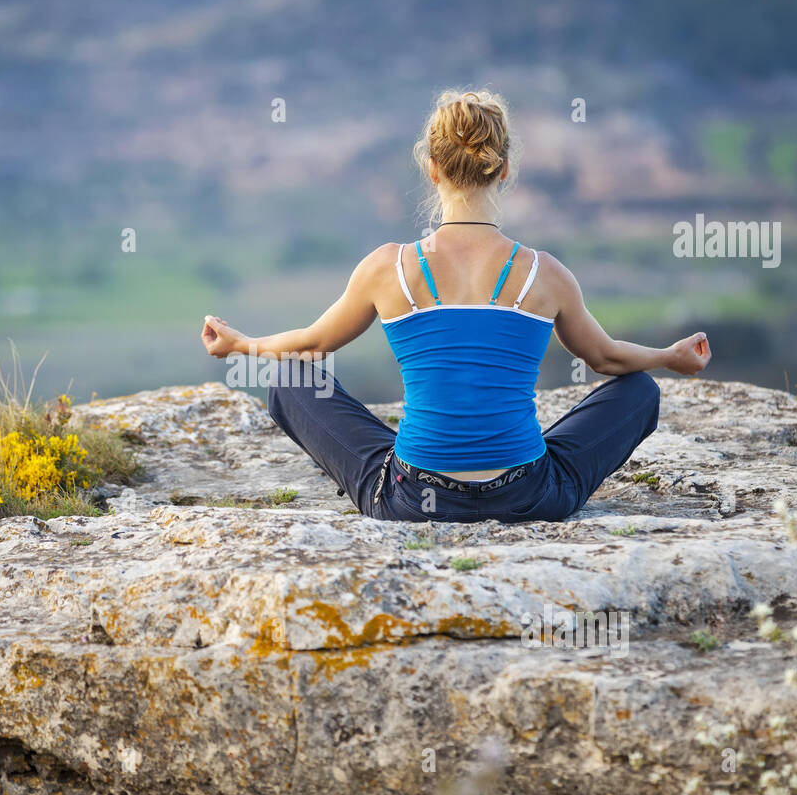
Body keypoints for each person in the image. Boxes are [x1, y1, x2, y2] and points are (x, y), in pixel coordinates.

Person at [200, 89, 711, 523]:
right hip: (528, 496)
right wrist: (669, 356)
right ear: (505, 168)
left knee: (289, 379)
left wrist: (242, 344)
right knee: (639, 391)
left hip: (411, 499)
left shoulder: (388, 268)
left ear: (433, 169)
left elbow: (311, 345)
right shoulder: (545, 274)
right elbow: (608, 361)